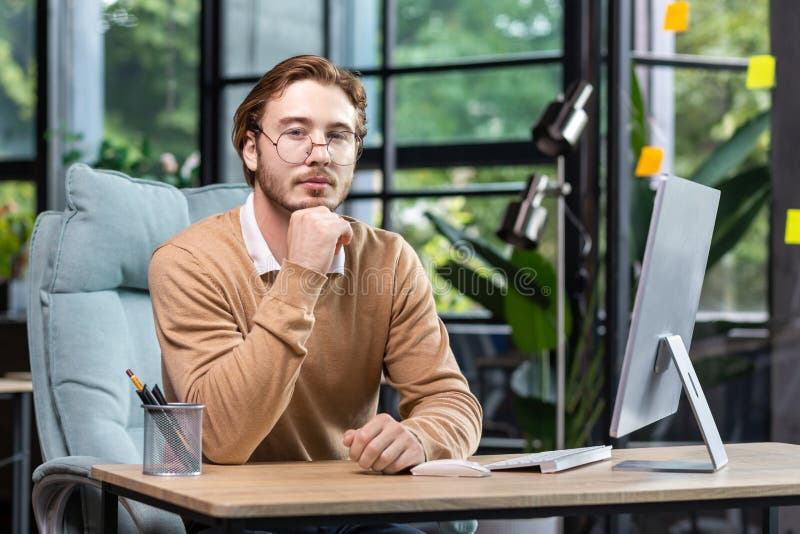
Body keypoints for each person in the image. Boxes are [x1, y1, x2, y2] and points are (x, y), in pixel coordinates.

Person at [149, 54, 481, 488]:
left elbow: (452, 401)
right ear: (251, 149)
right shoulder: (188, 262)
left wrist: (420, 438)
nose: (319, 154)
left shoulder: (389, 259)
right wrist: (302, 274)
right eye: (295, 133)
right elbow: (221, 438)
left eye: (338, 136)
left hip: (350, 502)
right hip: (234, 510)